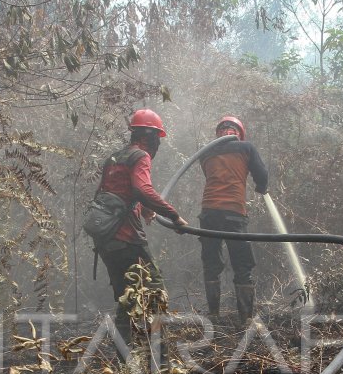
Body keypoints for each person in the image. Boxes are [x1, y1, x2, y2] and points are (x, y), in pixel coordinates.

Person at [93, 108, 188, 342]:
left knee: (127, 298)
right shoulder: (141, 156)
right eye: (157, 137)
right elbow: (142, 189)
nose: (158, 144)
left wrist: (145, 209)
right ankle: (160, 354)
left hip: (105, 241)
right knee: (155, 291)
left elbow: (118, 192)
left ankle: (124, 360)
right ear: (151, 136)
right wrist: (174, 216)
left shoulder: (115, 158)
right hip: (126, 240)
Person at [198, 115, 269, 323]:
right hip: (233, 213)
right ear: (239, 133)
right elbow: (262, 176)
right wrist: (261, 188)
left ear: (219, 133)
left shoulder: (206, 153)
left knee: (211, 263)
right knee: (242, 264)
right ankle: (245, 319)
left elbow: (212, 176)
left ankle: (213, 315)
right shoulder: (246, 148)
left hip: (208, 213)